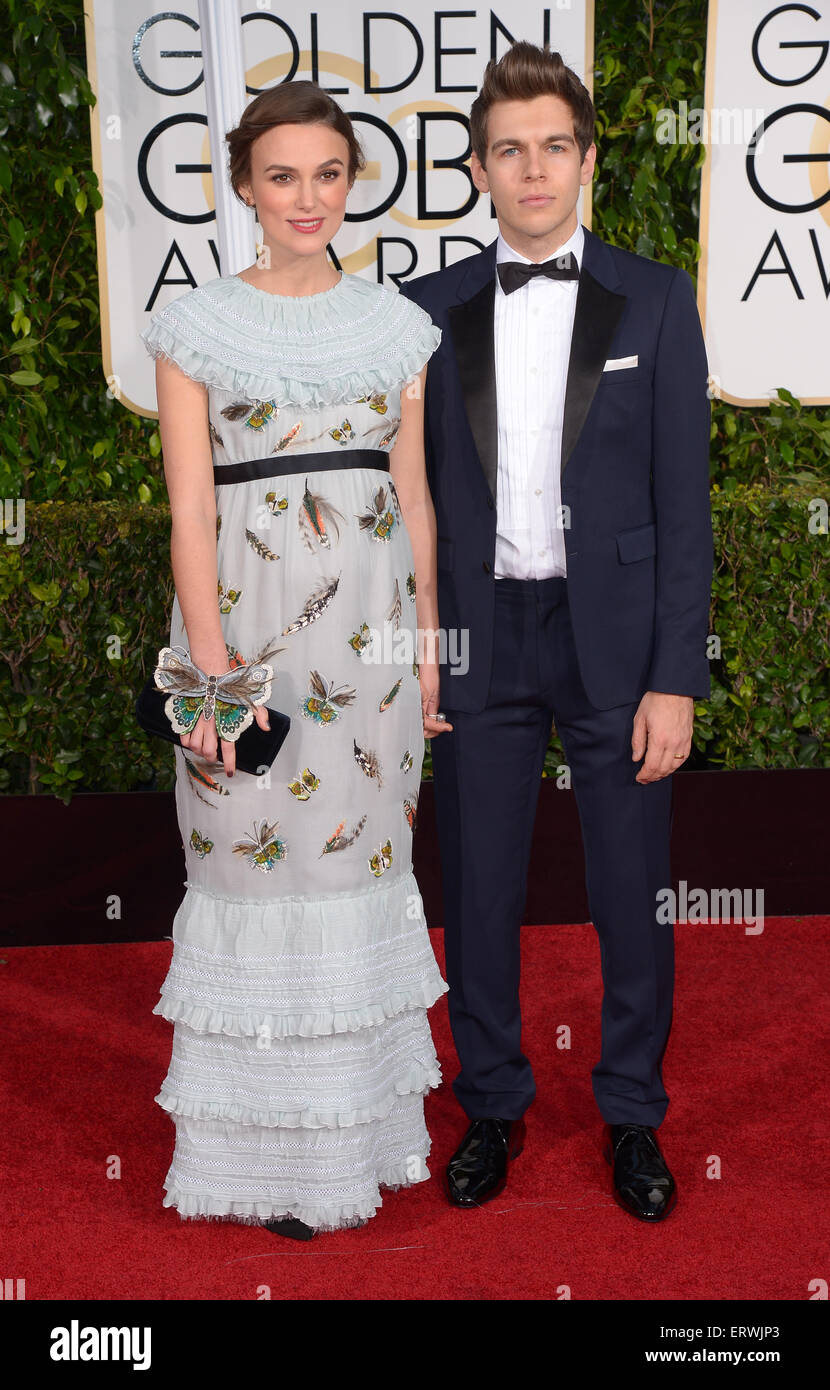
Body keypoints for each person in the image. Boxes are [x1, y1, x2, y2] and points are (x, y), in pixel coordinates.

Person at [399, 41, 713, 1221]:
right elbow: (403, 501)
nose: (532, 170)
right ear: (479, 168)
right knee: (475, 885)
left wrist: (672, 678)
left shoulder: (655, 297)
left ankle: (631, 1111)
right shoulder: (426, 312)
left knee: (629, 887)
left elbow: (683, 511)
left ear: (585, 158)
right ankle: (491, 1099)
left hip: (617, 643)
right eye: (508, 151)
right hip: (480, 636)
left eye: (553, 148)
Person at [140, 80, 451, 1238]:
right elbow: (186, 515)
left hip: (370, 661)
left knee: (350, 876)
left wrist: (425, 654)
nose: (306, 197)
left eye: (327, 174)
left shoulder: (398, 328)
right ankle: (262, 1159)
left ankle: (354, 1144)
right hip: (246, 648)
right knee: (253, 871)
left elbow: (411, 499)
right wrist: (214, 678)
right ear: (244, 186)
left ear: (350, 183)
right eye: (282, 175)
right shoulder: (194, 327)